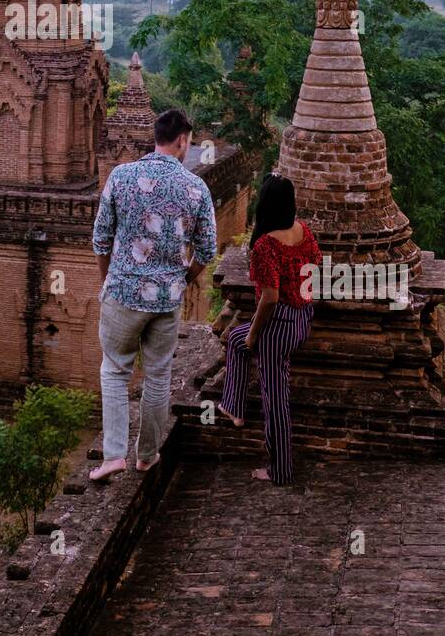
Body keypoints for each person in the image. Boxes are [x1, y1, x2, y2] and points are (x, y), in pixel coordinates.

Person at [89, 107, 217, 481]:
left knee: (114, 371)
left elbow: (101, 239)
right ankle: (147, 455)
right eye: (189, 142)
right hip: (166, 299)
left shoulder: (121, 176)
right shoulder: (195, 187)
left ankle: (114, 455)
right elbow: (207, 250)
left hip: (122, 293)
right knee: (158, 377)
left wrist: (108, 279)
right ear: (181, 141)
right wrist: (184, 279)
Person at [218, 171, 321, 486]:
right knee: (234, 340)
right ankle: (233, 407)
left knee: (274, 398)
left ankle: (281, 471)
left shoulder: (265, 245)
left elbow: (270, 298)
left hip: (279, 328)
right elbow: (315, 269)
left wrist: (254, 336)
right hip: (303, 318)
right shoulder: (303, 231)